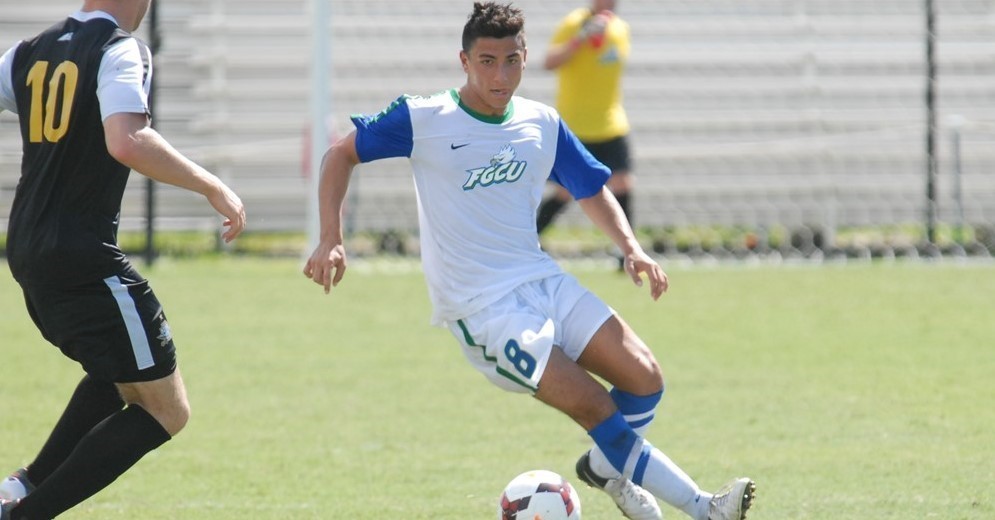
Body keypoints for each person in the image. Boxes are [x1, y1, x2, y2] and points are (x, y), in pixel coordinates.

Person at [303, 3, 754, 520]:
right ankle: (704, 509)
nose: (500, 74)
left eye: (511, 60)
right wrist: (330, 238)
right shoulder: (424, 116)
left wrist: (632, 249)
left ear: (524, 59)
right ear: (464, 61)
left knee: (645, 378)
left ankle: (607, 469)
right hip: (485, 310)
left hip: (543, 280)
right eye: (487, 61)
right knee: (597, 408)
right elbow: (340, 154)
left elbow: (590, 188)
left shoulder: (541, 121)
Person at [0, 0, 245, 517]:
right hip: (83, 258)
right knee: (166, 409)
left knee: (118, 374)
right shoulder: (120, 50)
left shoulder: (27, 52)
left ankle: (21, 489)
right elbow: (127, 140)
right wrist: (212, 185)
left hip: (25, 249)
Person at [536, 0, 635, 267]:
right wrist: (581, 38)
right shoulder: (573, 23)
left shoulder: (621, 29)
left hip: (612, 122)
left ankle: (626, 253)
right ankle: (528, 239)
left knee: (623, 183)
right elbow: (549, 61)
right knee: (565, 191)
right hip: (577, 125)